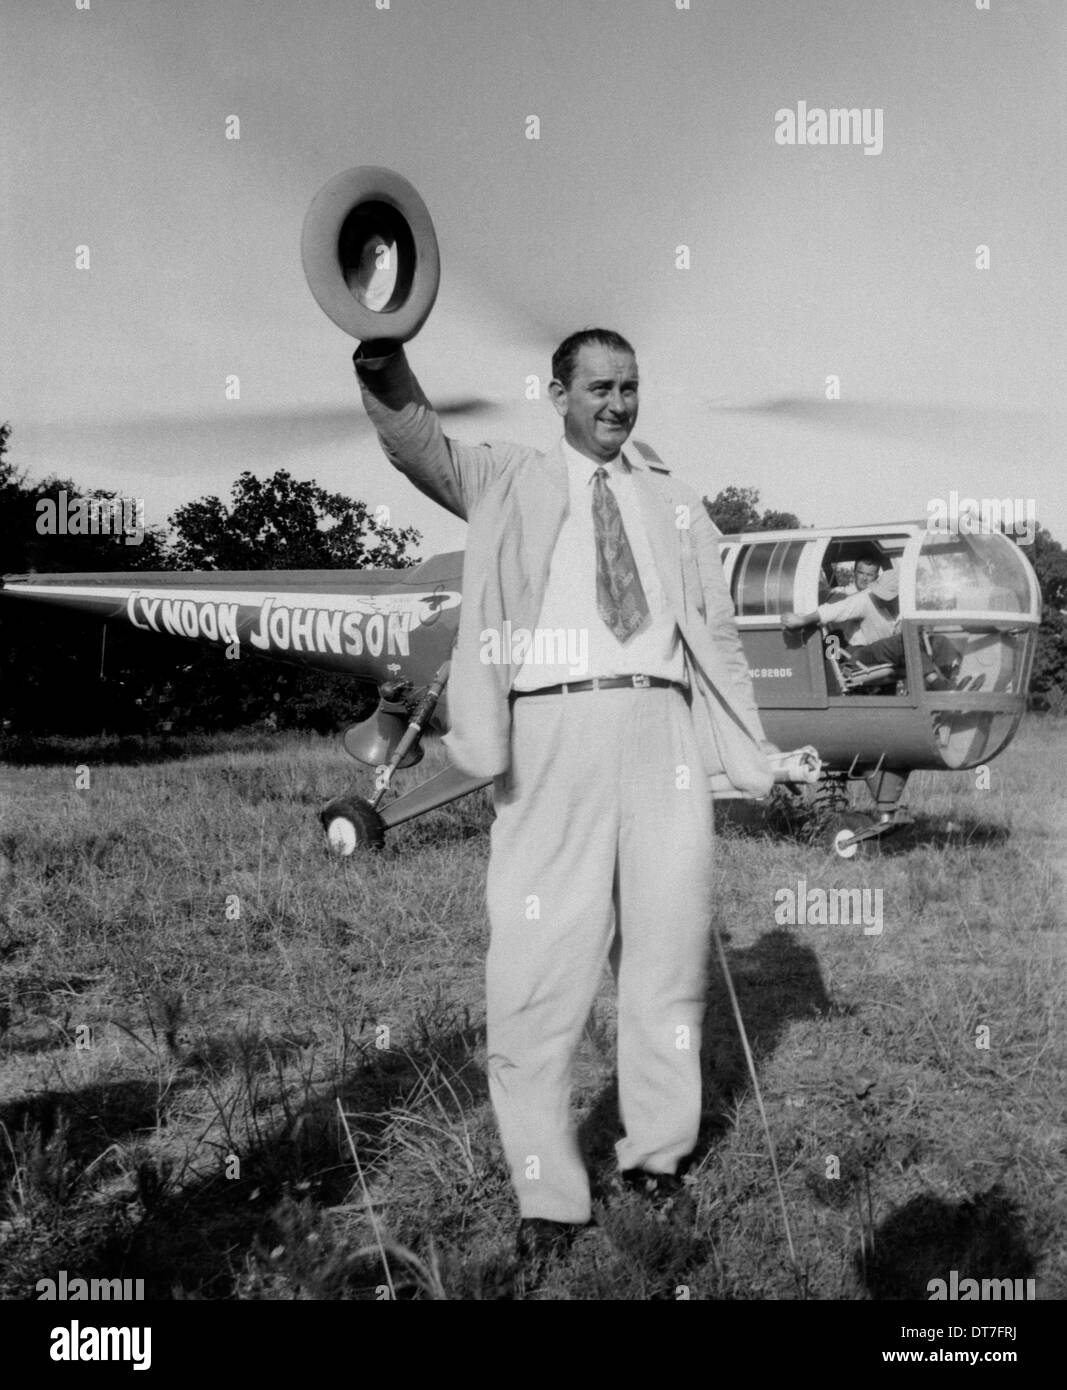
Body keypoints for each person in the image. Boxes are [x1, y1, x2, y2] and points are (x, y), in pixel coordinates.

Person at [352, 327, 778, 1265]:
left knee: (667, 963)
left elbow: (715, 630)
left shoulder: (671, 500)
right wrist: (381, 360)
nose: (618, 404)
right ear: (557, 395)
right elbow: (416, 441)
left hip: (661, 731)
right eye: (598, 388)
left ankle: (655, 1163)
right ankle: (547, 1197)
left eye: (630, 387)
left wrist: (751, 751)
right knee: (537, 972)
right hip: (551, 734)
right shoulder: (506, 477)